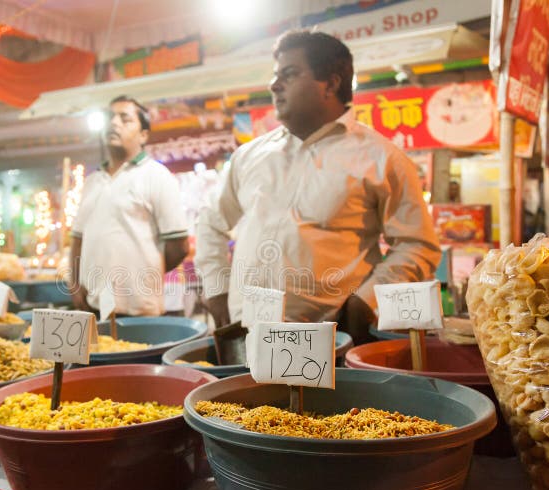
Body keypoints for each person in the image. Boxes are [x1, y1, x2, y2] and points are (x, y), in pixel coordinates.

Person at [194, 30, 440, 344]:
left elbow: (418, 245)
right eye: (275, 75)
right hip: (246, 336)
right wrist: (217, 287)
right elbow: (210, 222)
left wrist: (365, 300)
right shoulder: (249, 156)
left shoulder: (382, 158)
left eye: (290, 74)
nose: (274, 85)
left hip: (327, 343)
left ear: (331, 83)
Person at [70, 95, 190, 316]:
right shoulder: (92, 182)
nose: (114, 123)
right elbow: (78, 240)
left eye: (125, 119)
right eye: (110, 118)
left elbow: (179, 246)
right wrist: (76, 286)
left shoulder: (156, 176)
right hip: (93, 306)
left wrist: (144, 274)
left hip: (140, 310)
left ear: (143, 135)